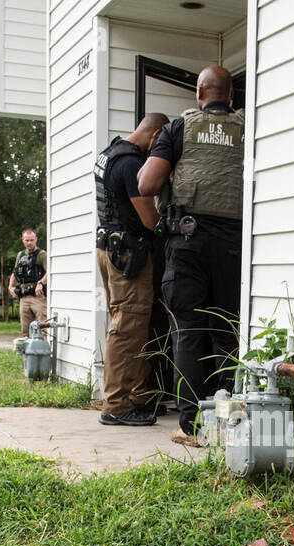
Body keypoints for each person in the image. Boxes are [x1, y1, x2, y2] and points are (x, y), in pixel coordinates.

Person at [138, 65, 245, 448]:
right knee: (226, 332)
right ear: (230, 96)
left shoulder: (180, 128)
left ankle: (190, 425)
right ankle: (231, 422)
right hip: (234, 245)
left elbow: (147, 183)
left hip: (189, 240)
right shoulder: (247, 129)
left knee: (188, 332)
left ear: (200, 93)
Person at [95, 112, 170, 426]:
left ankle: (138, 396)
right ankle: (116, 405)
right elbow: (149, 219)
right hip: (127, 255)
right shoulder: (130, 164)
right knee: (126, 329)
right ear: (154, 135)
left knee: (132, 325)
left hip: (109, 248)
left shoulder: (109, 152)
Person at [8, 229, 48, 338]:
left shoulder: (42, 254)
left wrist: (40, 283)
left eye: (31, 240)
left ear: (36, 240)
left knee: (43, 328)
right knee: (25, 330)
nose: (29, 243)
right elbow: (15, 272)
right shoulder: (20, 255)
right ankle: (28, 354)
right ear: (23, 240)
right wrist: (10, 287)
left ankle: (43, 353)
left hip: (38, 296)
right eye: (27, 240)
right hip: (24, 296)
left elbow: (50, 272)